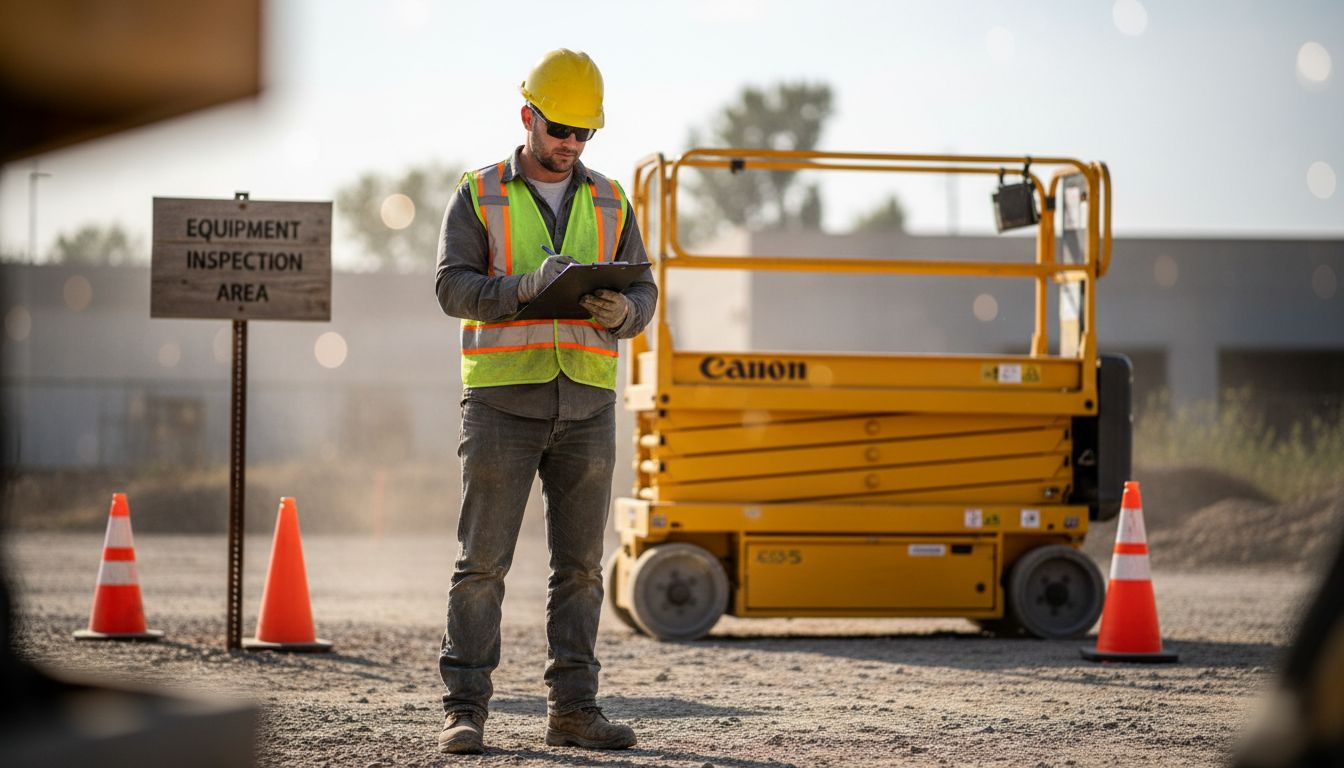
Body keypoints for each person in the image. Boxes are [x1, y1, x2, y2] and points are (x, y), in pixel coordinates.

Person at [432, 49, 656, 755]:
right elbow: (452, 289)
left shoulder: (613, 199)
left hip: (587, 406)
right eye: (560, 128)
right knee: (482, 567)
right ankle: (465, 709)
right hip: (503, 403)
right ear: (527, 114)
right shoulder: (479, 192)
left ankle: (574, 713)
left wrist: (625, 313)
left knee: (583, 570)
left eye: (585, 133)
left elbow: (646, 292)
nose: (572, 144)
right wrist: (525, 288)